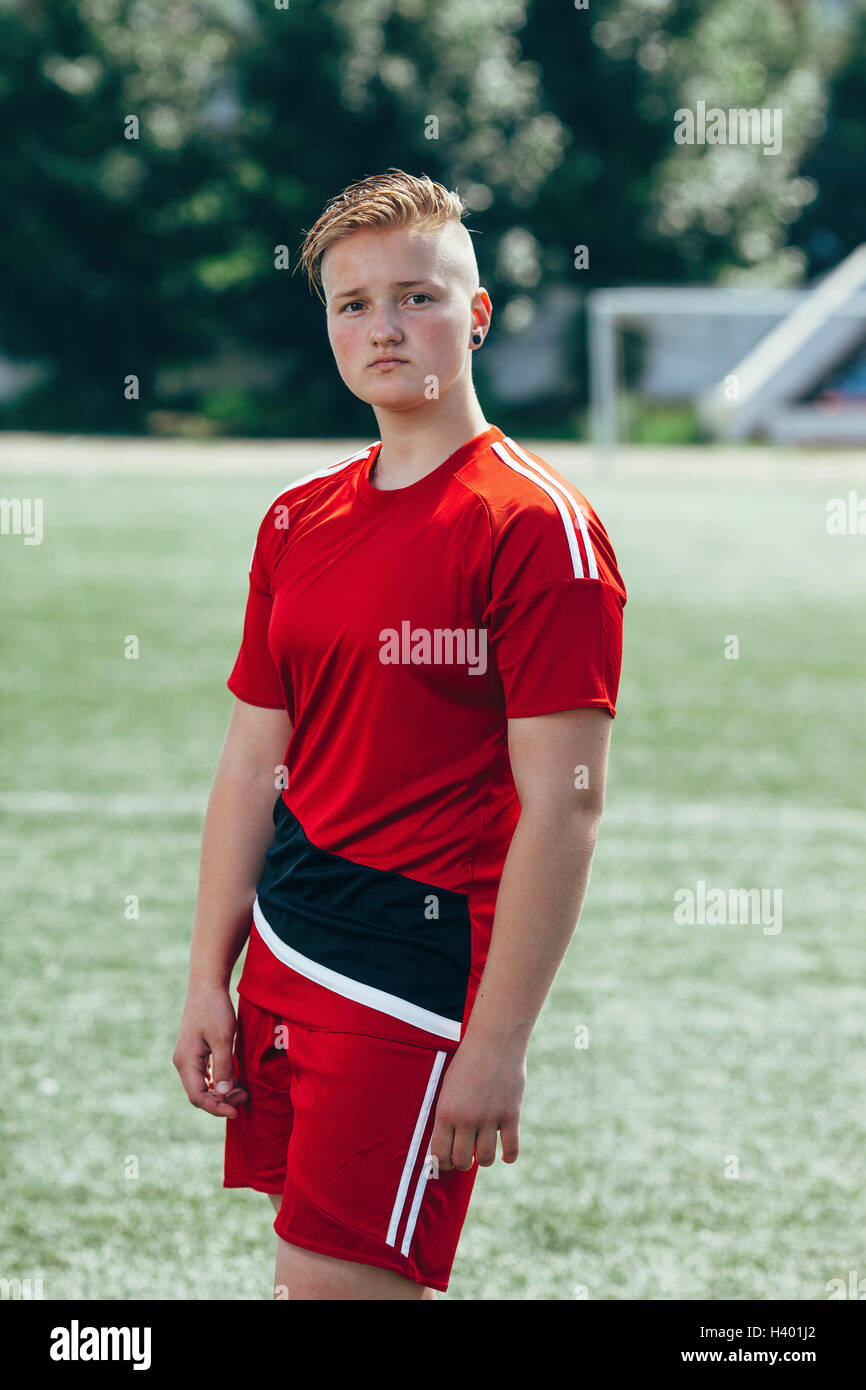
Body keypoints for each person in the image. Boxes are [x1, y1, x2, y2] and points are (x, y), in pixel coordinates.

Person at [173, 168, 627, 1301]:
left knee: (340, 1286)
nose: (383, 327)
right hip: (287, 941)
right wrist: (207, 976)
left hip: (410, 973)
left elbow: (564, 804)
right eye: (352, 303)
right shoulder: (295, 518)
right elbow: (249, 760)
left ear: (473, 316)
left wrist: (497, 1039)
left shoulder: (537, 530)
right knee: (311, 1279)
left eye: (415, 297)